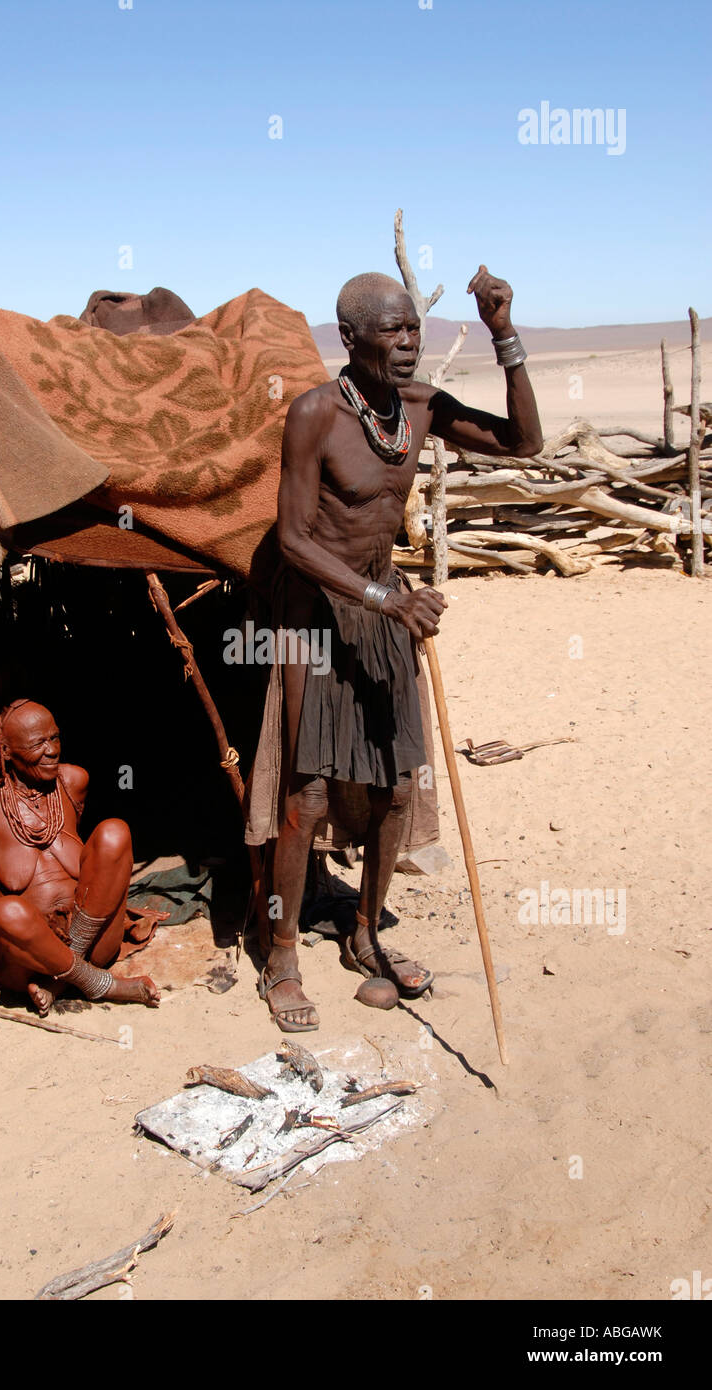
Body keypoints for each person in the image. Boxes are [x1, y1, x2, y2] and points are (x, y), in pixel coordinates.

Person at [256, 265, 543, 1031]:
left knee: (394, 787)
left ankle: (363, 933)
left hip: (387, 606)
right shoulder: (315, 415)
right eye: (393, 330)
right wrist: (386, 599)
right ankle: (281, 953)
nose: (409, 342)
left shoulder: (419, 406)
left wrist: (503, 332)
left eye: (413, 327)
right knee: (307, 795)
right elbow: (291, 539)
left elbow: (525, 442)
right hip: (318, 614)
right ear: (350, 339)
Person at [0, 699, 160, 1016]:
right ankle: (103, 985)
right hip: (25, 958)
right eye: (37, 743)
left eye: (54, 737)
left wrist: (73, 946)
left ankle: (68, 974)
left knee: (114, 831)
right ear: (7, 751)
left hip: (92, 940)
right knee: (7, 911)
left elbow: (97, 862)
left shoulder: (72, 782)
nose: (52, 750)